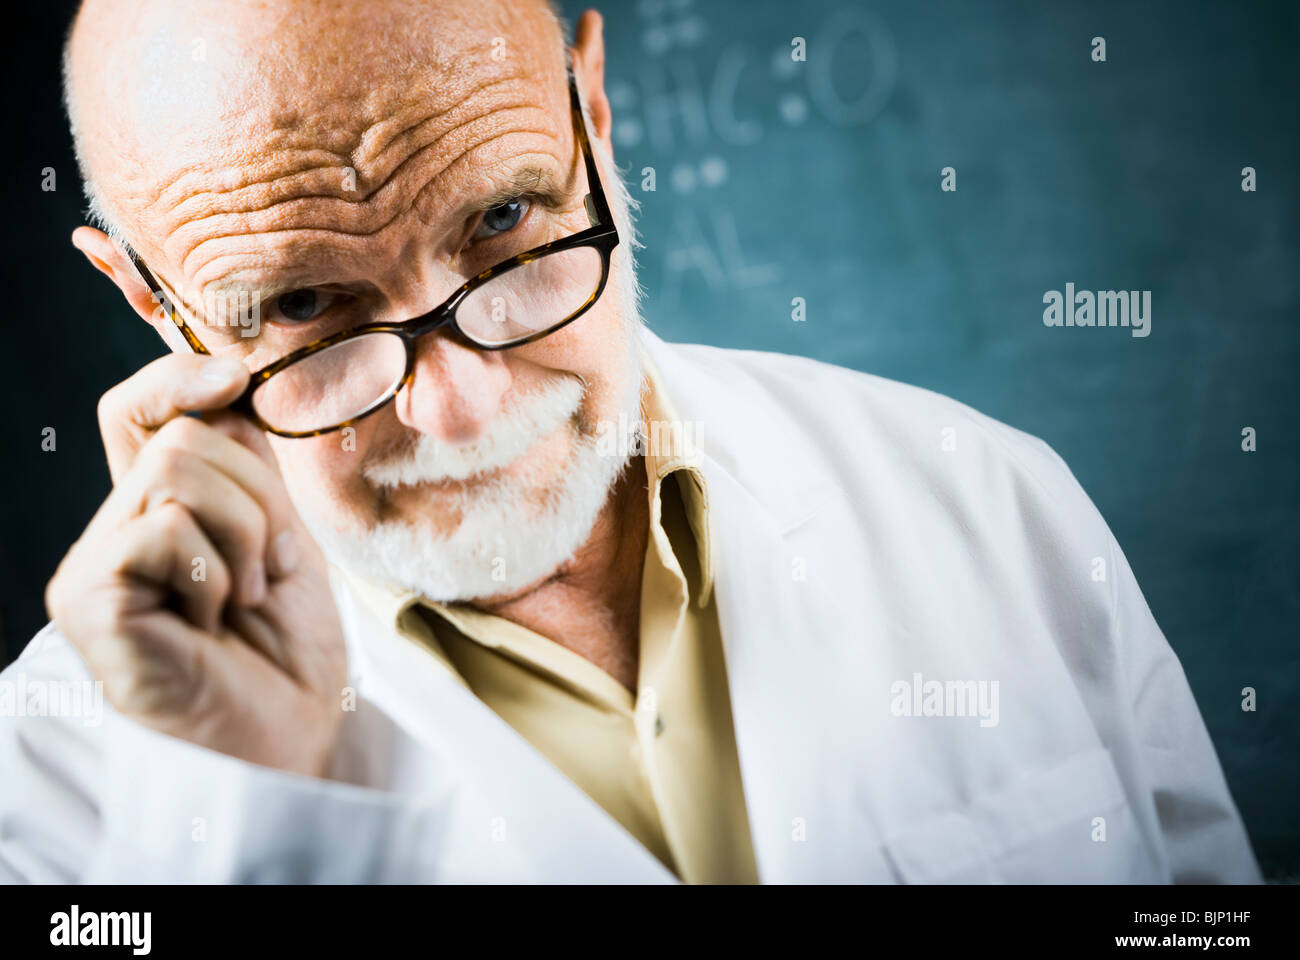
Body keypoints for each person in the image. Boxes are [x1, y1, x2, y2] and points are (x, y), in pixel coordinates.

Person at [0, 0, 1261, 883]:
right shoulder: (49, 779)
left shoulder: (988, 502)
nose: (461, 413)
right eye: (302, 307)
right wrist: (239, 808)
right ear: (151, 303)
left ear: (593, 111)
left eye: (504, 220)